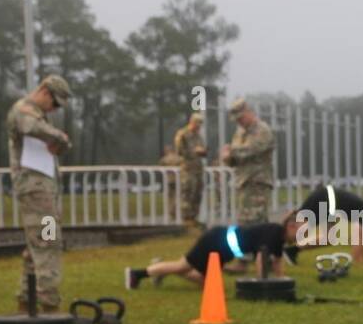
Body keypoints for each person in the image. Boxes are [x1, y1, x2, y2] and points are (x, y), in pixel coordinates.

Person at [7, 74, 72, 313]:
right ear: (44, 91)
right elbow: (32, 127)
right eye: (54, 103)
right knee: (47, 242)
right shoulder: (24, 110)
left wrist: (60, 142)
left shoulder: (39, 116)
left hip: (42, 188)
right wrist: (61, 138)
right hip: (35, 189)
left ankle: (27, 302)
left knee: (36, 247)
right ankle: (49, 306)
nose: (54, 110)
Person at [124, 215, 300, 288]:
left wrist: (282, 282)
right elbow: (261, 260)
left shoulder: (280, 239)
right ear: (291, 226)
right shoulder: (275, 232)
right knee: (182, 266)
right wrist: (264, 287)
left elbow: (277, 263)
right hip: (216, 240)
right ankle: (136, 274)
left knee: (206, 283)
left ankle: (161, 268)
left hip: (225, 249)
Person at [294, 183, 363, 264]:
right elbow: (358, 238)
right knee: (298, 233)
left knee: (329, 238)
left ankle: (292, 250)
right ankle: (282, 246)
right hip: (326, 198)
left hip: (329, 202)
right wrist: (359, 262)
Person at [220, 97, 275, 225]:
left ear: (249, 112)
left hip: (258, 184)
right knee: (244, 223)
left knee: (256, 223)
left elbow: (251, 149)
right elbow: (234, 159)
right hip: (243, 183)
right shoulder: (240, 133)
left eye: (241, 118)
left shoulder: (262, 130)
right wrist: (228, 157)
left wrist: (231, 151)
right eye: (237, 120)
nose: (239, 122)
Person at [173, 112, 208, 227]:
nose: (199, 126)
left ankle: (194, 217)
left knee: (197, 193)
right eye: (197, 124)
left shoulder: (198, 136)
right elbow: (180, 151)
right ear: (192, 122)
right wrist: (194, 151)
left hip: (198, 169)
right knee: (188, 193)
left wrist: (203, 151)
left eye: (200, 124)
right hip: (188, 169)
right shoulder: (182, 134)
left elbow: (204, 150)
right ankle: (186, 219)